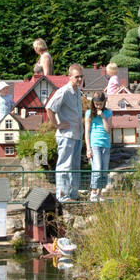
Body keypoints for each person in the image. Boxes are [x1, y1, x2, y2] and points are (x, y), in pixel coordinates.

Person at [44, 63, 86, 201]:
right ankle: (62, 195)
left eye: (81, 77)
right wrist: (57, 124)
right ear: (70, 77)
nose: (79, 79)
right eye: (76, 77)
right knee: (64, 166)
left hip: (77, 135)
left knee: (75, 167)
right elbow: (49, 108)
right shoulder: (64, 91)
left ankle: (73, 194)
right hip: (66, 135)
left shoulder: (77, 92)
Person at [84, 92, 113, 202]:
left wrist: (103, 117)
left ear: (104, 102)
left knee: (104, 169)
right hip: (94, 143)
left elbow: (108, 130)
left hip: (106, 144)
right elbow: (87, 132)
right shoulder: (88, 113)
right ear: (93, 103)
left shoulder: (108, 113)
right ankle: (93, 192)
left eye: (100, 104)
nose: (98, 106)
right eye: (96, 104)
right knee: (97, 168)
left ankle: (100, 193)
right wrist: (88, 148)